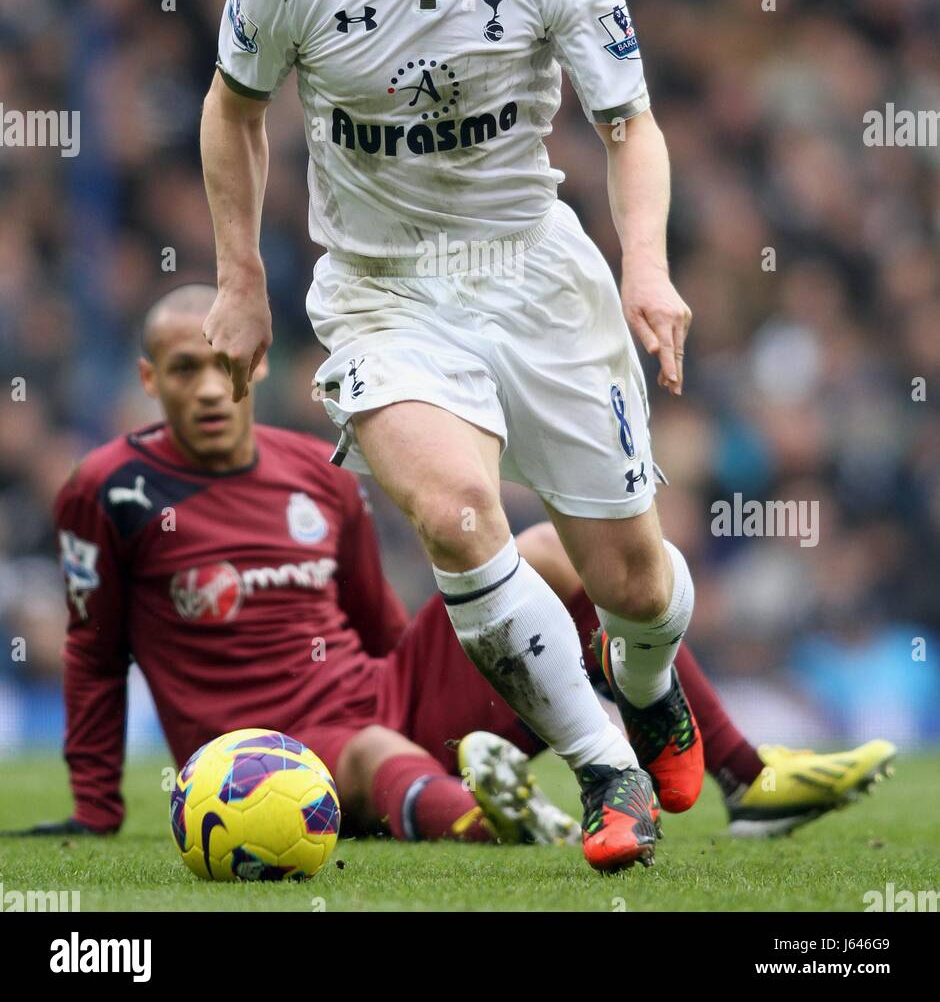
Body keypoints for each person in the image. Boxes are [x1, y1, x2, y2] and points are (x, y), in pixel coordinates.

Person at [201, 0, 701, 873]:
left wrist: (646, 264)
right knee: (462, 517)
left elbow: (631, 126)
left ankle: (652, 685)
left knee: (630, 581)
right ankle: (604, 770)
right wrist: (237, 280)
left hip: (536, 278)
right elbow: (232, 110)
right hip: (382, 290)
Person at [4, 287, 894, 850]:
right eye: (182, 368)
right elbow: (92, 652)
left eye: (220, 363)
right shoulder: (108, 489)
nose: (206, 386)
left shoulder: (319, 471)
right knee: (365, 750)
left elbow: (380, 624)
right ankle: (493, 823)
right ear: (149, 378)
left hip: (376, 694)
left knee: (550, 551)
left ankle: (747, 778)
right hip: (259, 753)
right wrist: (96, 809)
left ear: (255, 362)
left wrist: (459, 682)